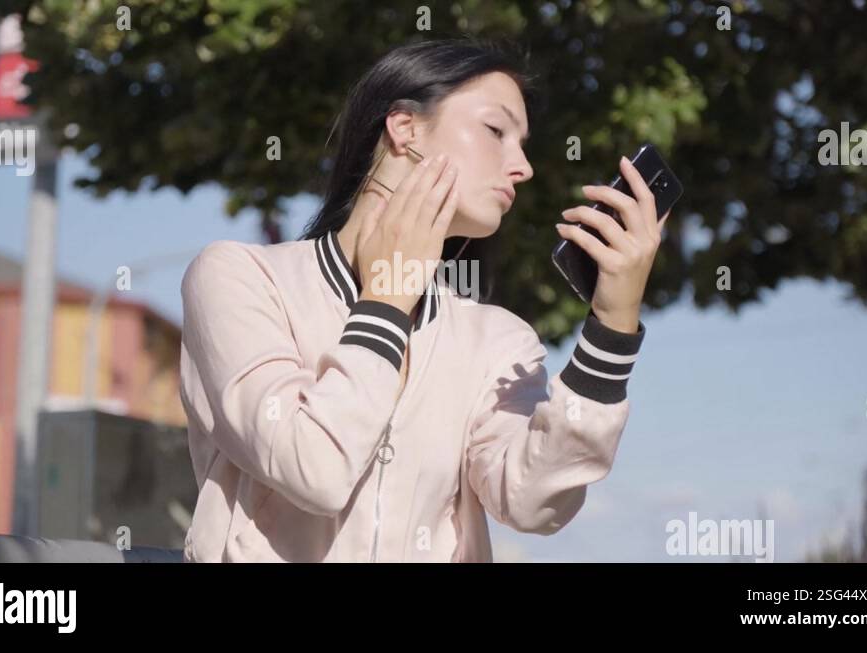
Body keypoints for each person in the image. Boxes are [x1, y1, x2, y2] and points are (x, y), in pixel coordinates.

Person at [178, 38, 669, 562]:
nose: (522, 166)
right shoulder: (242, 279)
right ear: (405, 128)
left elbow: (534, 504)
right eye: (496, 131)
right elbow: (314, 467)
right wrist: (388, 297)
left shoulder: (497, 339)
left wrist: (612, 327)